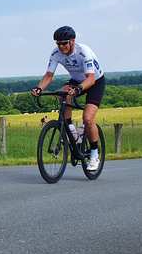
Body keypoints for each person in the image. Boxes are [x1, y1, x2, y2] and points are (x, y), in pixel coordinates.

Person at [31, 25, 106, 171]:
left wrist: (78, 89)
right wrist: (39, 88)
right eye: (58, 43)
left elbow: (90, 79)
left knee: (88, 119)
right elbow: (48, 76)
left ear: (72, 41)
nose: (61, 46)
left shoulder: (84, 52)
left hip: (94, 81)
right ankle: (72, 132)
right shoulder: (56, 53)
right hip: (76, 80)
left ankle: (94, 153)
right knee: (63, 93)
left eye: (64, 43)